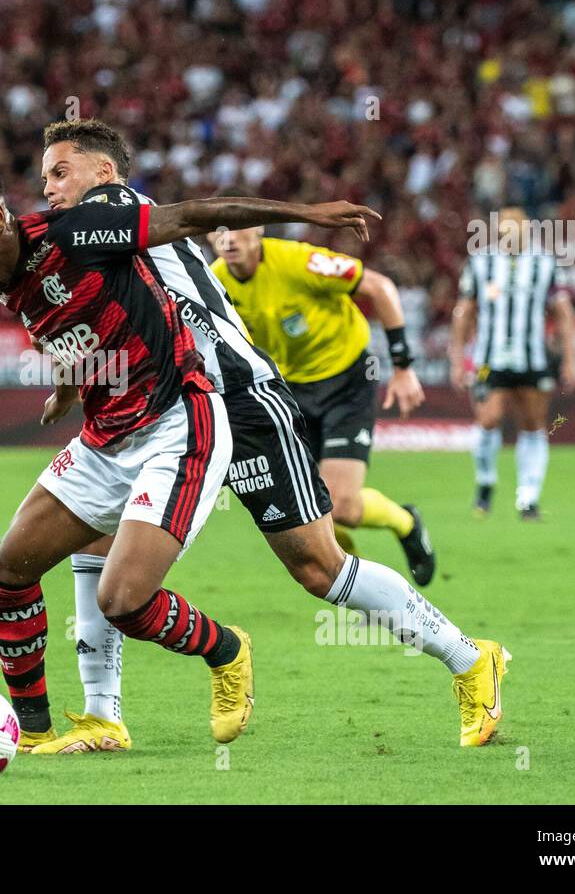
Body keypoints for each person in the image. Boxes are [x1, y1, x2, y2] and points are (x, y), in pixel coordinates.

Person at [29, 119, 508, 753]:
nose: (50, 189)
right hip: (161, 410)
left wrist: (308, 213)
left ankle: (470, 658)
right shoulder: (89, 238)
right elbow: (103, 315)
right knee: (94, 529)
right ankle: (102, 716)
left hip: (239, 400)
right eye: (43, 179)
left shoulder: (114, 209)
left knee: (318, 566)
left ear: (104, 175)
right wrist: (73, 378)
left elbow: (205, 211)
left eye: (61, 173)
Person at [207, 191, 435, 580]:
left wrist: (402, 366)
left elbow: (379, 287)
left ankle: (406, 522)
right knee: (315, 507)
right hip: (289, 389)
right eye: (217, 231)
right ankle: (358, 584)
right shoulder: (216, 284)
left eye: (238, 228)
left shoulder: (298, 261)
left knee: (342, 504)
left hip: (346, 378)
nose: (228, 239)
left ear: (258, 228)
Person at [449, 207, 575, 519]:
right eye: (505, 228)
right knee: (488, 418)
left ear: (527, 231)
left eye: (516, 228)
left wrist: (570, 360)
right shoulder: (480, 263)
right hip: (487, 360)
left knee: (534, 424)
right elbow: (463, 312)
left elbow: (564, 314)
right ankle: (485, 483)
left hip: (532, 358)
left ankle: (528, 498)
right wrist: (457, 361)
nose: (510, 234)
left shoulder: (545, 264)